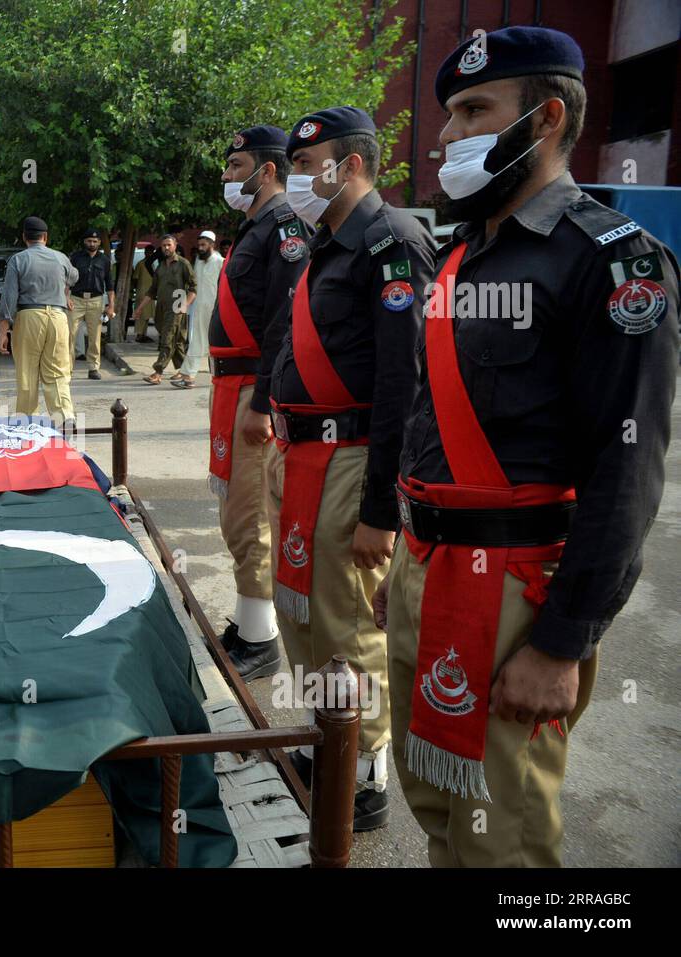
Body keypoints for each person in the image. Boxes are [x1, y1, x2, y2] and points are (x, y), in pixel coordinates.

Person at [376, 27, 678, 867]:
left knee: (499, 840)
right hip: (426, 572)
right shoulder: (459, 257)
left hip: (515, 597)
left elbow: (628, 467)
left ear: (545, 119)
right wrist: (402, 561)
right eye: (448, 113)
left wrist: (563, 640)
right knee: (438, 809)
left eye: (474, 109)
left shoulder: (612, 263)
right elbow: (425, 422)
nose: (444, 136)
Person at [267, 106, 437, 830]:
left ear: (354, 165)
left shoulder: (391, 242)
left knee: (348, 626)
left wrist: (379, 511)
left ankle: (361, 775)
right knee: (303, 617)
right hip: (303, 457)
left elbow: (406, 382)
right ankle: (323, 738)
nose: (298, 177)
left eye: (309, 165)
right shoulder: (326, 243)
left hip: (352, 460)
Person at [206, 126, 310, 681]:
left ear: (266, 171)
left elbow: (282, 325)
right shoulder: (252, 229)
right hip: (232, 388)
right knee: (234, 514)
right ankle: (251, 625)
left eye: (236, 165)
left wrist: (263, 402)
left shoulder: (285, 229)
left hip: (253, 390)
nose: (227, 177)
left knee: (250, 516)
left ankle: (259, 638)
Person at [0, 216, 78, 428]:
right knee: (57, 371)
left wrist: (3, 330)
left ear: (25, 237)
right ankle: (64, 416)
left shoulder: (18, 260)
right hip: (58, 317)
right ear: (45, 237)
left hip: (29, 316)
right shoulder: (60, 258)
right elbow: (74, 277)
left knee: (27, 372)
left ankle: (27, 424)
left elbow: (9, 297)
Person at [135, 234, 196, 385]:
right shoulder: (161, 266)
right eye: (163, 245)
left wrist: (185, 305)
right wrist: (140, 308)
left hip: (177, 306)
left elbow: (194, 287)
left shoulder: (183, 264)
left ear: (175, 246)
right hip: (161, 307)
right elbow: (152, 290)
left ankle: (158, 372)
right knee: (176, 340)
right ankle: (184, 370)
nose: (166, 248)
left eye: (169, 245)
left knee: (167, 339)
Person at [174, 230, 221, 388]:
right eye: (199, 245)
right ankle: (189, 376)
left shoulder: (220, 261)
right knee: (196, 340)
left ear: (212, 245)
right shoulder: (199, 262)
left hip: (214, 309)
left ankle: (192, 375)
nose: (200, 248)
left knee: (214, 343)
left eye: (203, 245)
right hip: (198, 308)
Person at [67, 228, 115, 380]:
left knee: (95, 337)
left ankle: (93, 368)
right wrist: (65, 297)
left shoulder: (105, 260)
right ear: (84, 242)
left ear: (99, 242)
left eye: (95, 241)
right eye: (89, 241)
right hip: (76, 299)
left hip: (96, 300)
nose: (92, 243)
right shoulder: (75, 258)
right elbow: (67, 280)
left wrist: (111, 305)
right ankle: (67, 368)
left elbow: (110, 285)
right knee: (70, 335)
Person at [131, 245, 158, 342]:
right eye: (147, 252)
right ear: (145, 252)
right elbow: (135, 278)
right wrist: (138, 289)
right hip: (142, 293)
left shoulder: (152, 264)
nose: (149, 254)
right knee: (141, 314)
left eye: (151, 252)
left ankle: (143, 334)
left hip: (150, 294)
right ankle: (139, 335)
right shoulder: (141, 264)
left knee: (147, 316)